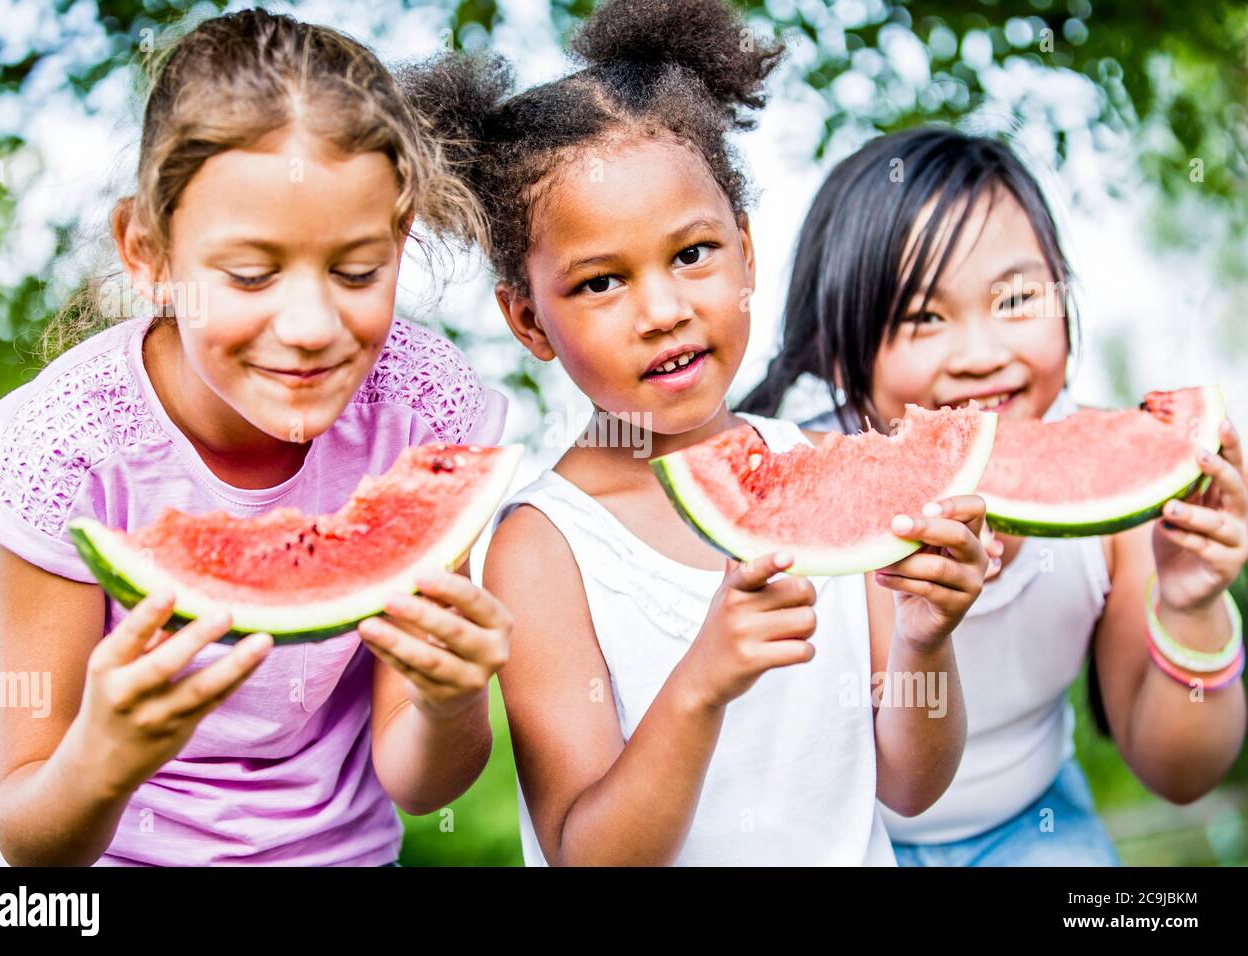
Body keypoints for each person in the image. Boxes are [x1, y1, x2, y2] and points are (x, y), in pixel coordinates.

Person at [403, 0, 991, 866]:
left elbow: (909, 785)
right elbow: (587, 852)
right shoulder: (544, 545)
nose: (664, 311)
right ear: (529, 323)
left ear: (746, 252)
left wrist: (924, 636)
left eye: (692, 255)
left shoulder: (828, 468)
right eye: (601, 282)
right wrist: (701, 685)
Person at [0, 9, 512, 866]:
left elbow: (419, 783)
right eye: (251, 275)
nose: (312, 325)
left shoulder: (420, 416)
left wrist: (450, 701)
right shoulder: (65, 450)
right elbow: (27, 837)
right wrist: (102, 761)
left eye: (358, 271)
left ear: (401, 242)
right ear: (148, 252)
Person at [742, 126, 1248, 865]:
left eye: (1016, 298)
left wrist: (1193, 600)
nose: (982, 355)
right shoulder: (802, 487)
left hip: (1036, 823)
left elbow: (1179, 774)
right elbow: (887, 781)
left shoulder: (1118, 498)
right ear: (839, 350)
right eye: (923, 317)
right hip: (842, 838)